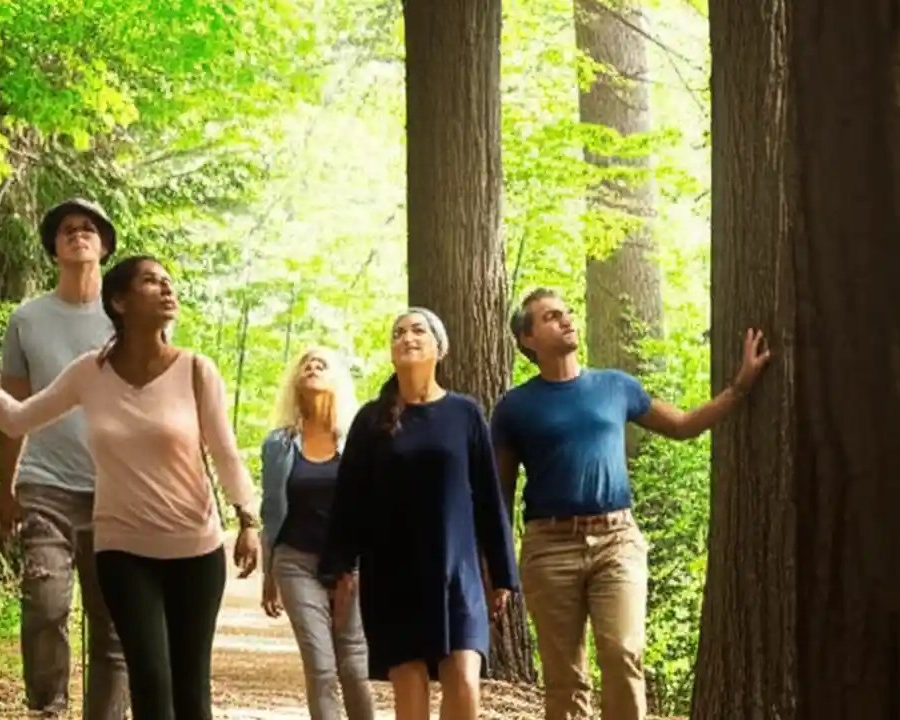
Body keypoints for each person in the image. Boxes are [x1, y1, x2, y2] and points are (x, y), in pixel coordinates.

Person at [0, 255, 262, 720]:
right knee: (151, 682)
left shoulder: (196, 370)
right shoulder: (88, 374)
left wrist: (247, 518)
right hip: (122, 552)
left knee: (191, 691)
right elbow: (16, 417)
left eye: (169, 282)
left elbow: (225, 451)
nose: (167, 289)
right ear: (119, 301)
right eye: (152, 282)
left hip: (195, 551)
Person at [490, 287, 772, 720]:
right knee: (565, 680)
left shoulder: (614, 386)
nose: (566, 320)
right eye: (550, 317)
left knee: (623, 654)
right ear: (527, 339)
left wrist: (740, 387)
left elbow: (680, 425)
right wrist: (497, 570)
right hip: (549, 548)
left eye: (567, 313)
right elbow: (501, 494)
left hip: (616, 539)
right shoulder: (515, 407)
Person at [319, 308, 520, 720]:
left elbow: (488, 496)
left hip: (456, 573)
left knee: (464, 682)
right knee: (410, 695)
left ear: (438, 347)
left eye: (418, 330)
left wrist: (502, 573)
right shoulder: (371, 420)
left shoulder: (465, 414)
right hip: (393, 575)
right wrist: (339, 569)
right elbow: (349, 500)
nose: (407, 337)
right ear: (392, 353)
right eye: (398, 333)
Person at [0, 197, 127, 719]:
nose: (78, 234)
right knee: (46, 607)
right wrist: (6, 488)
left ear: (105, 246)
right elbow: (12, 410)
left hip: (114, 490)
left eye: (89, 228)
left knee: (111, 622)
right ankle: (46, 710)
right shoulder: (27, 319)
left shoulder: (126, 320)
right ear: (54, 247)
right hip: (43, 485)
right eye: (68, 229)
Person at [259, 348, 375, 720]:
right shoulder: (278, 444)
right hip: (296, 563)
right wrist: (268, 571)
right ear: (294, 383)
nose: (311, 367)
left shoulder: (360, 439)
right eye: (305, 365)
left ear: (337, 379)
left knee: (355, 665)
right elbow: (271, 509)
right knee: (322, 667)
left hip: (351, 563)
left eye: (321, 364)